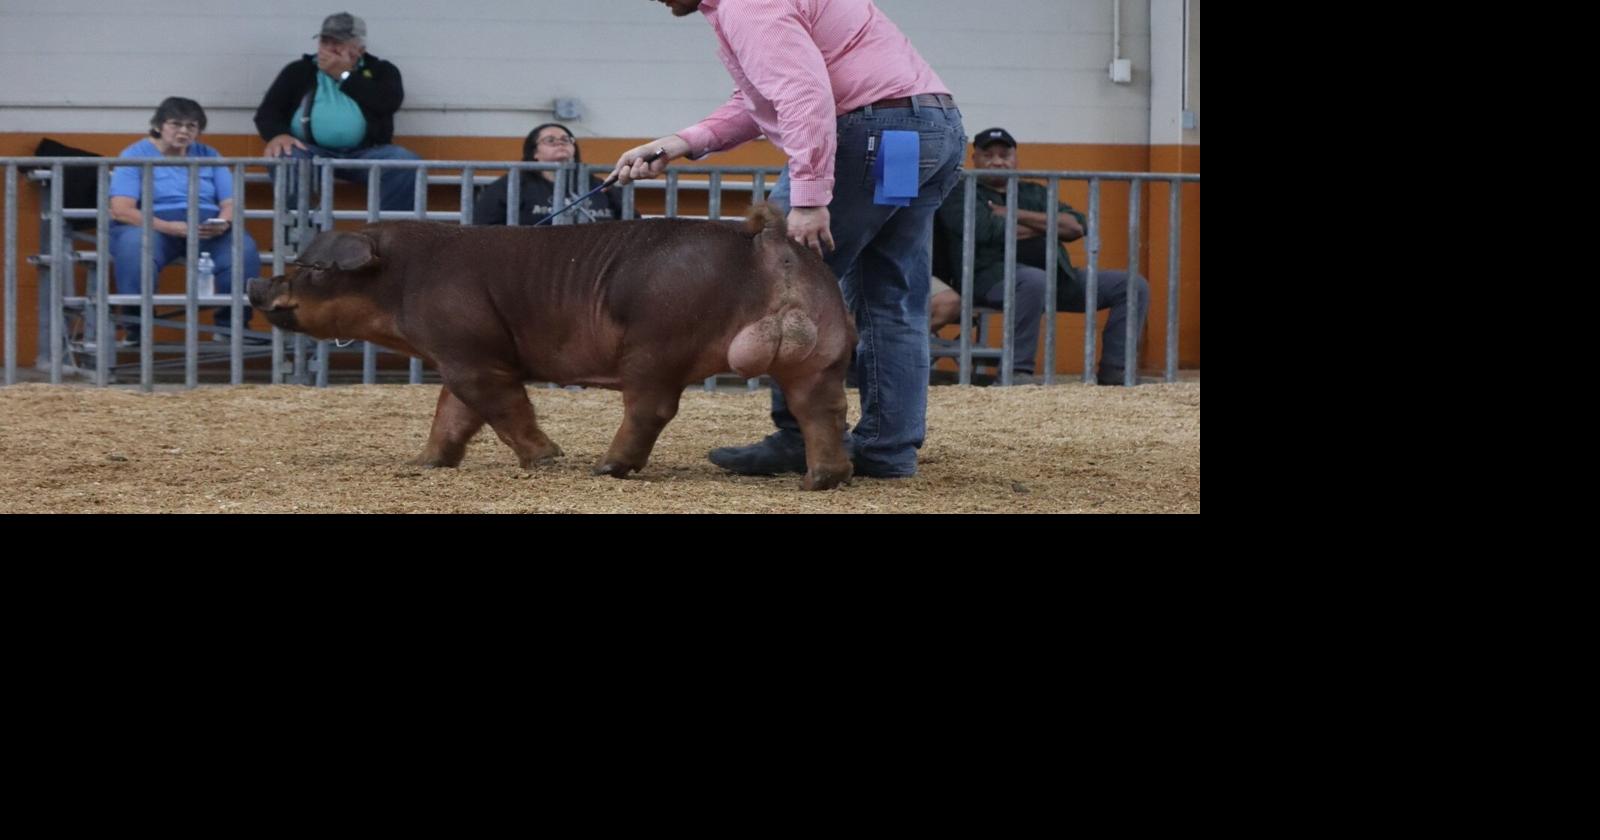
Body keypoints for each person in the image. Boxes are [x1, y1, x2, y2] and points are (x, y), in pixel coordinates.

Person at [611, 0, 964, 479]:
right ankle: (889, 449)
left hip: (867, 132)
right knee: (893, 298)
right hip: (927, 128)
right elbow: (762, 99)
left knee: (780, 288)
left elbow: (802, 93)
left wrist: (810, 194)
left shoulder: (745, 6)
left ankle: (803, 440)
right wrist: (682, 142)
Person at [934, 127, 1149, 385]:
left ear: (1015, 158)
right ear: (974, 159)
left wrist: (1011, 212)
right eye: (988, 155)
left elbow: (1076, 226)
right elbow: (987, 229)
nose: (997, 161)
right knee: (1034, 281)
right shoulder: (960, 191)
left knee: (1131, 285)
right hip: (989, 278)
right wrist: (1048, 226)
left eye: (1005, 154)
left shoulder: (1033, 192)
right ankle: (1016, 373)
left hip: (1057, 274)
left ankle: (1116, 371)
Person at [108, 97, 263, 346]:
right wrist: (167, 226)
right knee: (134, 248)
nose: (183, 131)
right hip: (152, 224)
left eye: (191, 126)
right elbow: (121, 209)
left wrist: (222, 222)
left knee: (242, 249)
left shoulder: (209, 155)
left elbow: (230, 201)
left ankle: (231, 325)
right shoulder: (134, 154)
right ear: (158, 126)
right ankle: (136, 326)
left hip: (205, 224)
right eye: (175, 124)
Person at [253, 12, 419, 213]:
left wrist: (344, 75)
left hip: (367, 152)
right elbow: (268, 113)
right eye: (325, 41)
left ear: (360, 48)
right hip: (311, 152)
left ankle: (390, 235)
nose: (330, 48)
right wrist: (278, 135)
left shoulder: (381, 70)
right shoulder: (298, 71)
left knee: (405, 161)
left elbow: (387, 102)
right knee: (284, 155)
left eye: (338, 42)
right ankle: (297, 235)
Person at [472, 123, 624, 226]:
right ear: (534, 153)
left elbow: (628, 219)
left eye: (566, 139)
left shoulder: (597, 184)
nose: (560, 143)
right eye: (550, 140)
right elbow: (484, 226)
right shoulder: (510, 186)